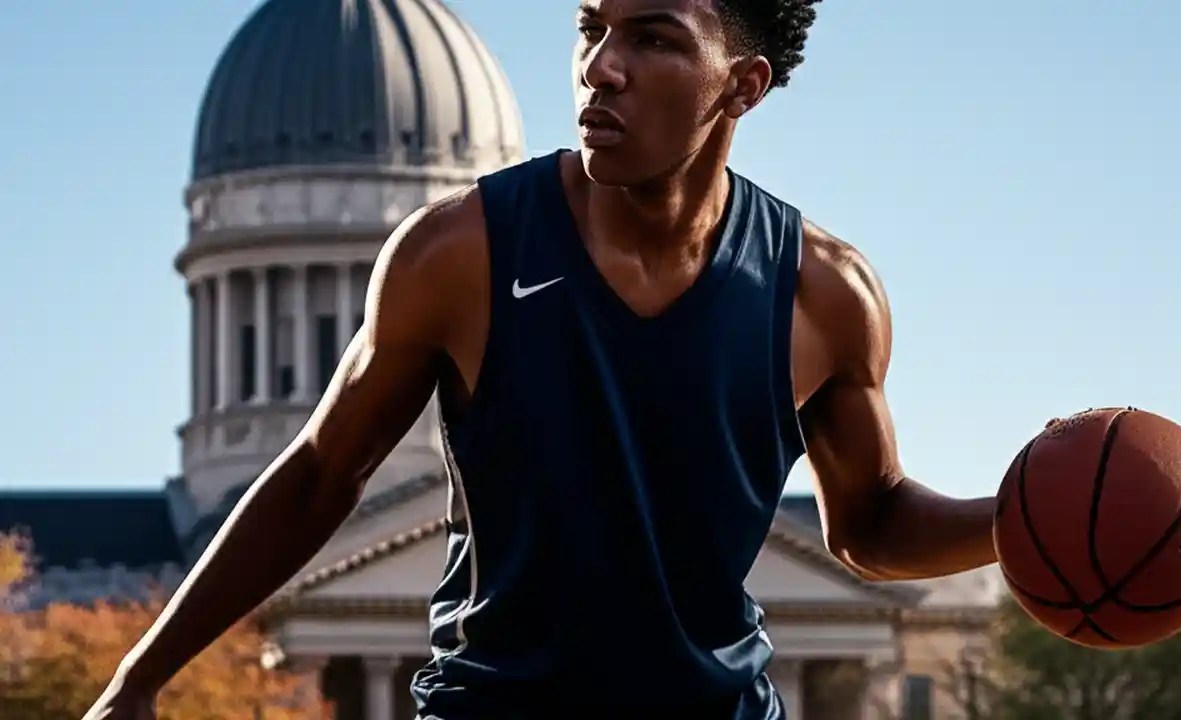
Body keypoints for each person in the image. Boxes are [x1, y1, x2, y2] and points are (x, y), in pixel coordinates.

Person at [85, 0, 998, 718]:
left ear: (743, 84)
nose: (601, 68)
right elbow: (322, 476)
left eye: (652, 39)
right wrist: (140, 675)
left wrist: (1023, 517)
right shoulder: (457, 254)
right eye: (590, 27)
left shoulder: (823, 293)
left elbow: (870, 526)